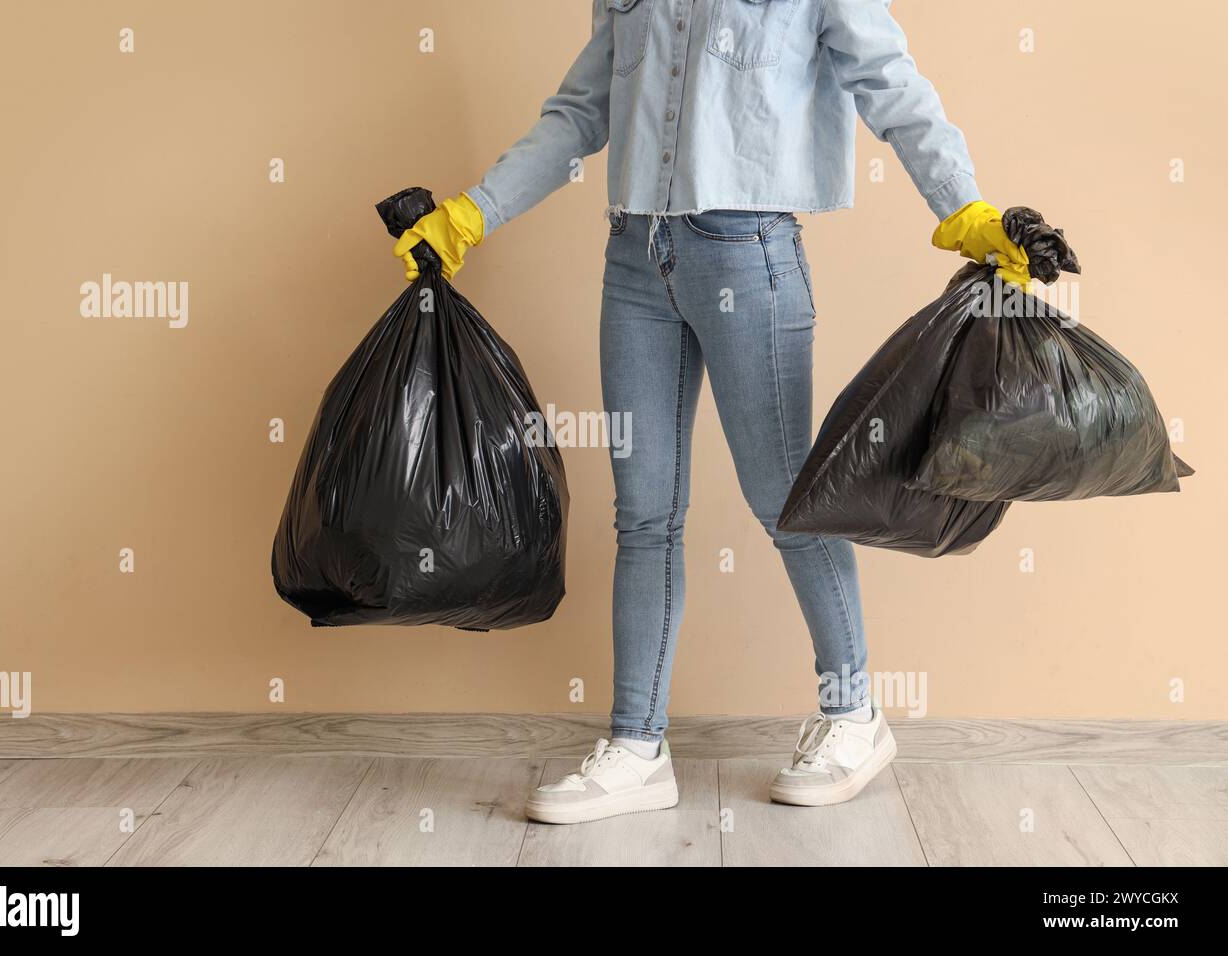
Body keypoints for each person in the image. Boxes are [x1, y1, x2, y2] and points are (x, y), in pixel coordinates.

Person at [393, 0, 1035, 825]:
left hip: (749, 255)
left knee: (789, 502)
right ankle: (636, 747)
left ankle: (853, 716)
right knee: (644, 515)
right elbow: (583, 109)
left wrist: (965, 204)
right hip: (633, 256)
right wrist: (474, 213)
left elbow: (890, 81)